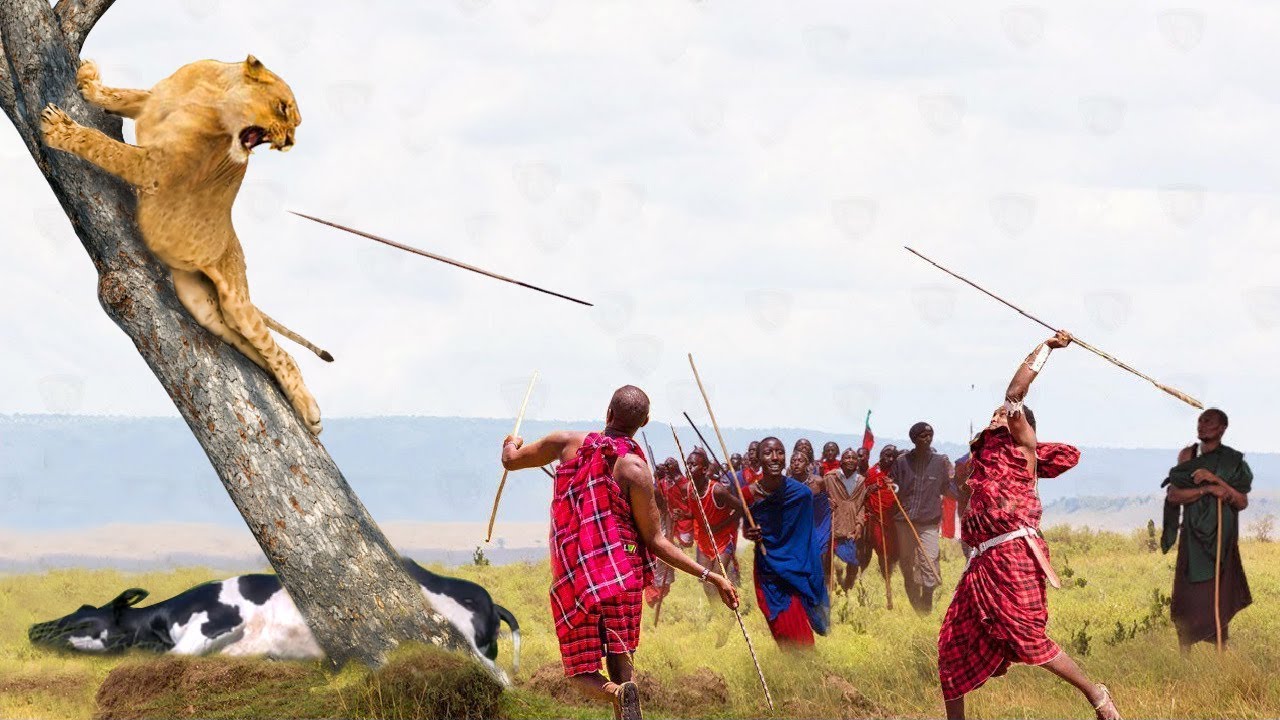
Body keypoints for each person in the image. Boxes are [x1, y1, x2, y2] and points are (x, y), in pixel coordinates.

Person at [501, 385, 739, 719]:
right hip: (621, 573)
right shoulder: (636, 470)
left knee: (580, 671)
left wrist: (511, 442)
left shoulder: (564, 443)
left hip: (578, 573)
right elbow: (656, 540)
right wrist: (711, 576)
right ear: (644, 422)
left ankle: (614, 694)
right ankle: (625, 691)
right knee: (622, 661)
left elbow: (511, 461)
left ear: (608, 413)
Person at [937, 332, 1119, 720]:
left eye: (1002, 415)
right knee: (952, 643)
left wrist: (1046, 347)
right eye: (993, 415)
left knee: (1026, 636)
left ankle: (1096, 695)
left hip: (1014, 553)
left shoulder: (1022, 447)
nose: (995, 417)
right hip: (981, 564)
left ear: (1022, 427)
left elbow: (1015, 392)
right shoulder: (980, 467)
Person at [1161, 408, 1252, 651]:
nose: (1201, 425)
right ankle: (1185, 655)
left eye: (1208, 421)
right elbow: (1174, 494)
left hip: (1221, 540)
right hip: (1192, 538)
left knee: (1219, 597)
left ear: (1222, 428)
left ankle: (1220, 654)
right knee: (1187, 597)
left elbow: (1241, 501)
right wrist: (1206, 490)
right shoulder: (1188, 455)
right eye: (1200, 420)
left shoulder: (1232, 461)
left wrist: (1215, 480)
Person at [727, 437, 829, 647]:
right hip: (769, 570)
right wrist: (752, 533)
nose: (775, 457)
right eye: (768, 453)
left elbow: (807, 536)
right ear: (758, 460)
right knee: (783, 631)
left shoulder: (802, 495)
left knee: (803, 640)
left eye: (780, 452)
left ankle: (808, 666)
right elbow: (747, 529)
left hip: (797, 570)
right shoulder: (748, 495)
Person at [890, 422, 955, 614]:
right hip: (904, 520)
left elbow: (945, 487)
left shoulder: (940, 462)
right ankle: (914, 599)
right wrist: (891, 486)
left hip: (928, 521)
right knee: (907, 561)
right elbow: (894, 484)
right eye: (923, 436)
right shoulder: (902, 462)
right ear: (914, 439)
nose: (927, 439)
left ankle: (926, 602)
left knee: (930, 559)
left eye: (930, 435)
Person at [684, 447, 744, 599]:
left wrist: (721, 526)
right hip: (704, 540)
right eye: (687, 464)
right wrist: (683, 515)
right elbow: (696, 512)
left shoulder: (717, 490)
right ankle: (716, 608)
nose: (689, 468)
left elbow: (741, 508)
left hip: (723, 538)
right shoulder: (689, 488)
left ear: (704, 469)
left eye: (693, 465)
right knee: (706, 578)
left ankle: (732, 603)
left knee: (718, 575)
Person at [821, 447, 869, 591]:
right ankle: (829, 589)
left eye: (854, 458)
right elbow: (819, 496)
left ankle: (848, 588)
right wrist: (826, 501)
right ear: (841, 461)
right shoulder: (830, 477)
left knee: (852, 561)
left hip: (851, 526)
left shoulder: (861, 481)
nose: (851, 460)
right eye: (847, 457)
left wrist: (859, 524)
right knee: (828, 560)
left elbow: (861, 505)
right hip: (832, 524)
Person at [856, 445, 899, 587]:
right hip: (875, 518)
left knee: (891, 551)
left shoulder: (897, 473)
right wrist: (870, 489)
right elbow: (861, 494)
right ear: (881, 455)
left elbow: (902, 491)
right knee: (878, 549)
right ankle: (862, 579)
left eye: (893, 456)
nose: (890, 459)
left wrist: (893, 486)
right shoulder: (871, 473)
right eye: (887, 455)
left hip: (892, 519)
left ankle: (888, 579)